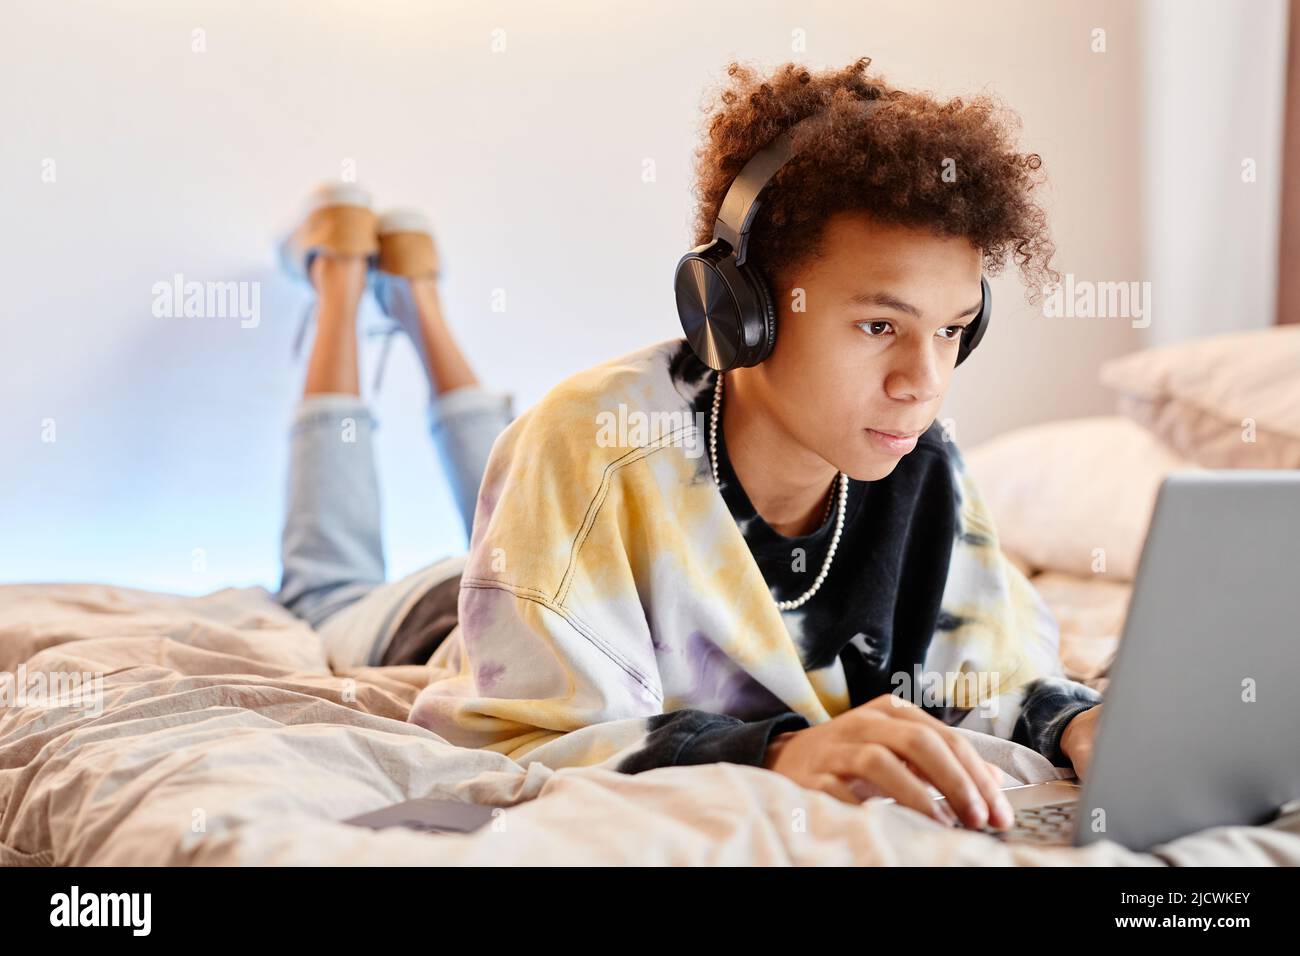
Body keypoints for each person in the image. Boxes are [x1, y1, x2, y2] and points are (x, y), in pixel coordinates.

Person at [278, 58, 1106, 833]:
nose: (922, 381)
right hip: (463, 618)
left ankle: (415, 294)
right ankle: (349, 284)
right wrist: (775, 751)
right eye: (879, 325)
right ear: (737, 310)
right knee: (326, 589)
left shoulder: (918, 460)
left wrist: (1077, 722)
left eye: (954, 329)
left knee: (536, 479)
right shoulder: (586, 441)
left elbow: (991, 667)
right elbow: (510, 741)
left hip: (559, 557)